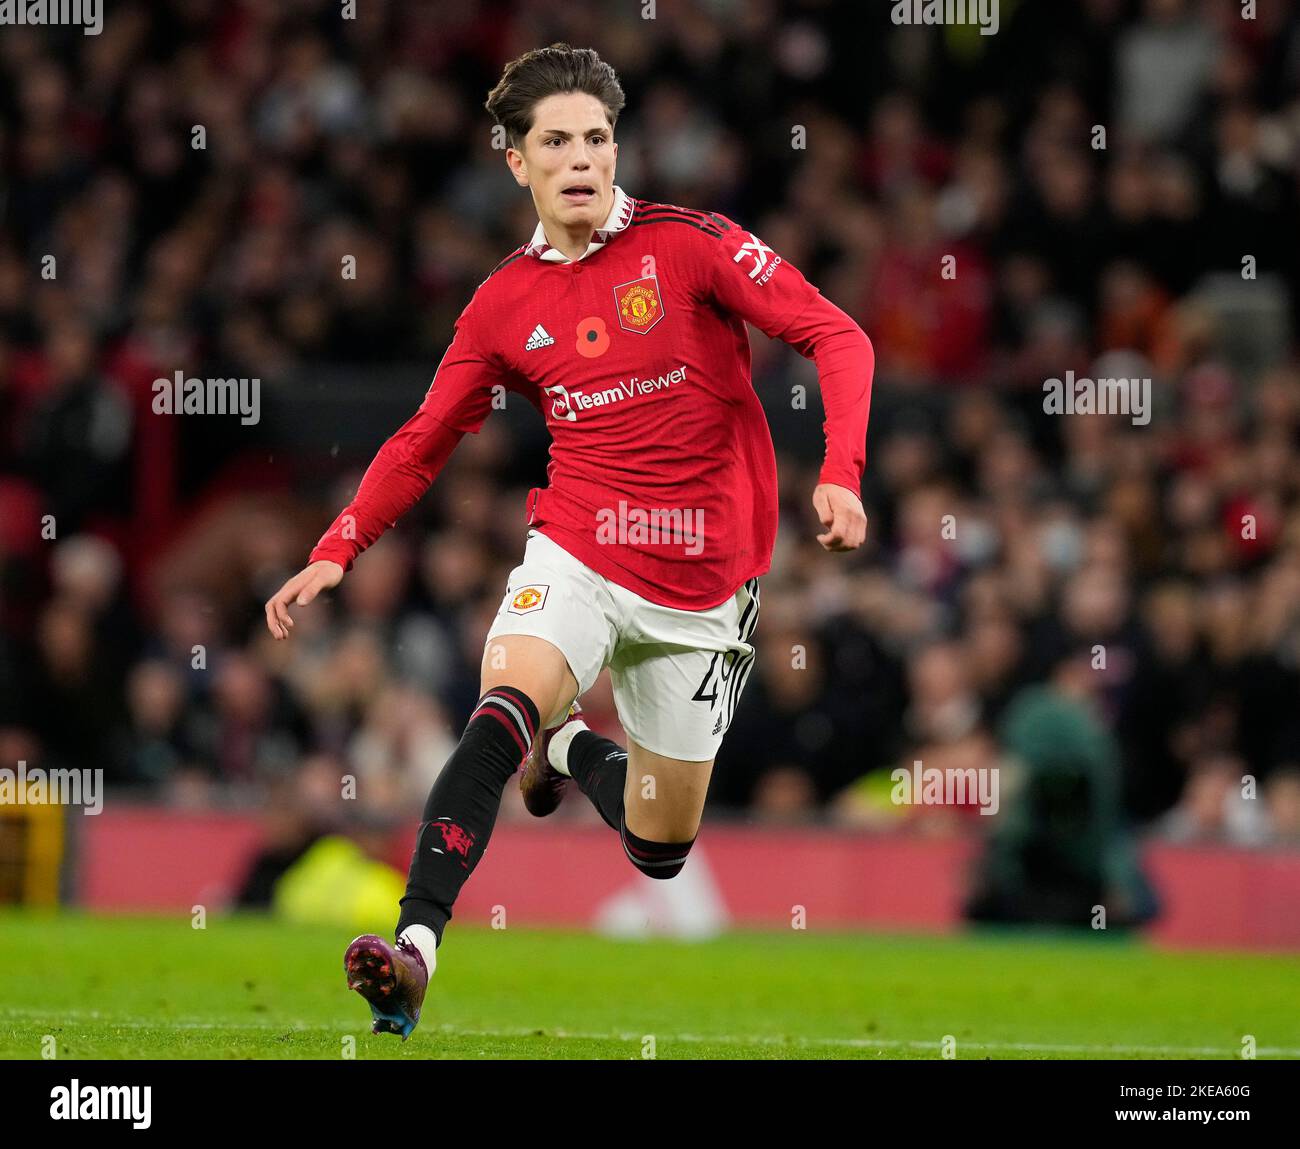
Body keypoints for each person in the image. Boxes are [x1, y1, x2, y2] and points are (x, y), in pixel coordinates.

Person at [263, 43, 874, 1040]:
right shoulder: (503, 302)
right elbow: (424, 442)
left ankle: (571, 743)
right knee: (499, 701)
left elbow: (838, 337)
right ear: (517, 161)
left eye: (597, 137)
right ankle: (416, 952)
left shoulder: (693, 246)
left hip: (705, 582)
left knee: (658, 846)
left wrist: (841, 472)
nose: (582, 157)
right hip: (580, 547)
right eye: (557, 141)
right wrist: (340, 544)